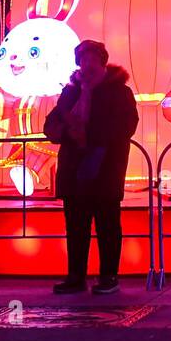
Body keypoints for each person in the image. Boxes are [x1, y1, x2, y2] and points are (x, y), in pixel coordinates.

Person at [44, 39, 138, 294]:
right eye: (83, 60)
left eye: (92, 59)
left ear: (102, 61)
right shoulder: (71, 91)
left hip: (105, 166)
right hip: (74, 167)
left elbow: (127, 126)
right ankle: (76, 276)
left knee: (107, 223)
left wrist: (94, 139)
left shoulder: (119, 91)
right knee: (76, 225)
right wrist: (68, 131)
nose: (87, 65)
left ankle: (109, 276)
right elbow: (52, 123)